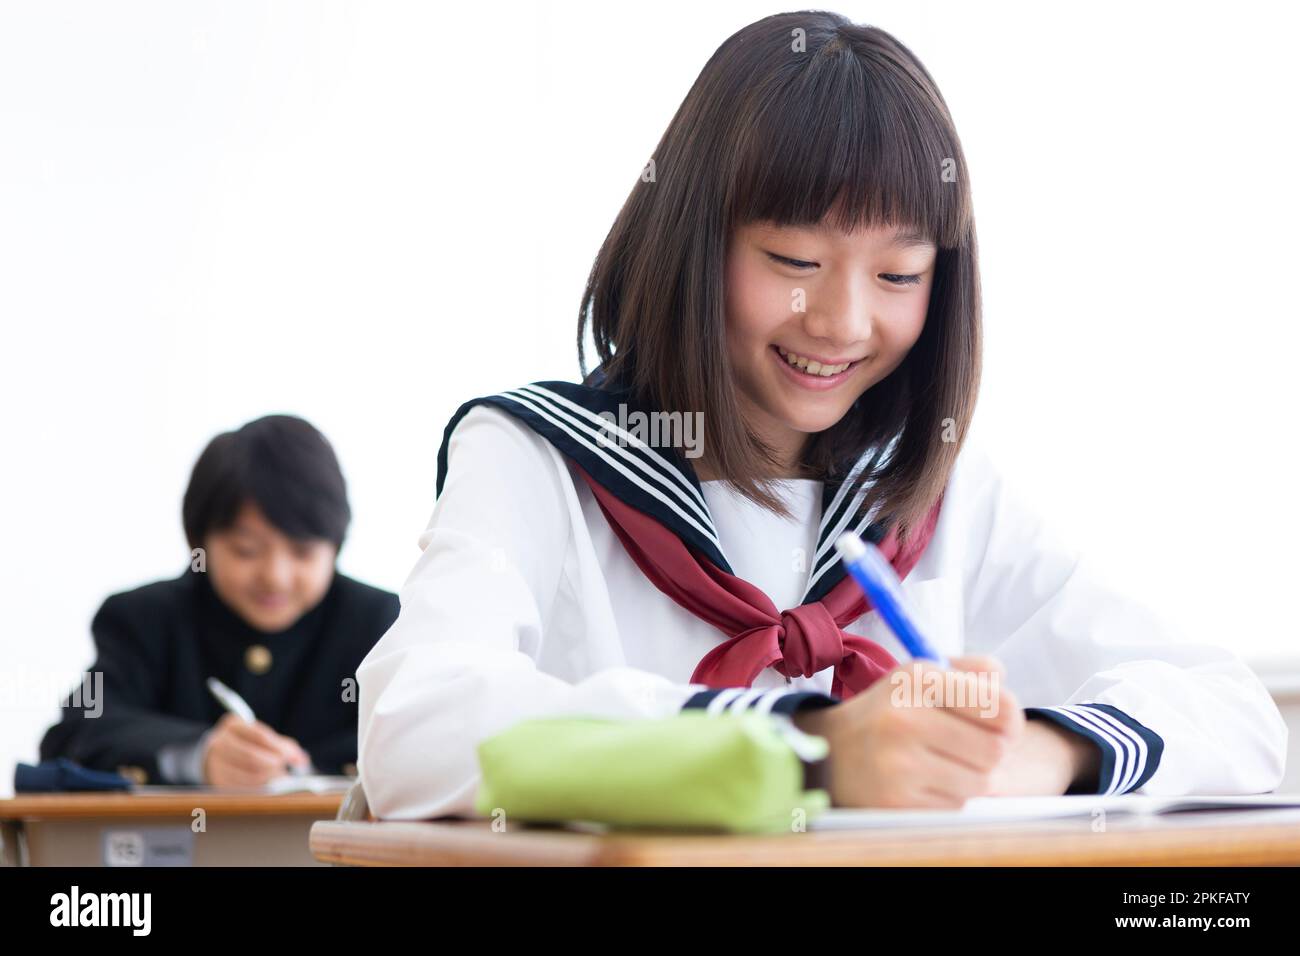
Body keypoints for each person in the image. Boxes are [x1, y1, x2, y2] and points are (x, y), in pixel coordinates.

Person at [355, 12, 1286, 818]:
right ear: (691, 241)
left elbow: (1232, 711)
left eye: (898, 275)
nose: (843, 322)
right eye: (795, 262)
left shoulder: (931, 492)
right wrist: (810, 752)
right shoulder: (537, 460)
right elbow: (418, 725)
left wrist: (1042, 753)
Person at [40, 415, 399, 786]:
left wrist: (302, 768)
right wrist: (197, 755)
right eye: (246, 550)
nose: (275, 576)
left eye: (302, 552)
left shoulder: (381, 623)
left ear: (335, 545)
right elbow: (72, 733)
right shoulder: (142, 619)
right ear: (200, 543)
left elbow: (423, 737)